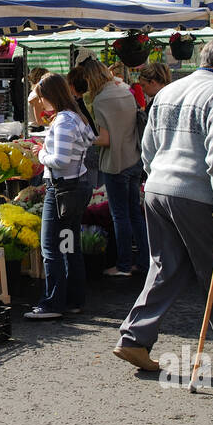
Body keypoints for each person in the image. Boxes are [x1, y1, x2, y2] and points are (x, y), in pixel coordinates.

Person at [112, 39, 213, 373]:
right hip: (200, 193)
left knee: (166, 266)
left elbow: (149, 145)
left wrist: (157, 176)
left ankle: (134, 338)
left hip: (160, 187)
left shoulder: (170, 91)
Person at [24, 73, 95, 320]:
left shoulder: (64, 121)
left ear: (51, 95)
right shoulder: (75, 117)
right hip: (75, 188)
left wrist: (42, 153)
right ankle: (73, 299)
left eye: (42, 98)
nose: (41, 103)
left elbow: (61, 160)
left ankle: (52, 303)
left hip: (62, 189)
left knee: (51, 246)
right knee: (69, 244)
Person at [78, 58, 148, 276]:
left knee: (120, 216)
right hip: (134, 158)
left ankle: (123, 264)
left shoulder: (101, 100)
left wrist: (86, 138)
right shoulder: (124, 90)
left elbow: (106, 139)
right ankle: (145, 262)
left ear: (90, 78)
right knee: (135, 214)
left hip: (116, 162)